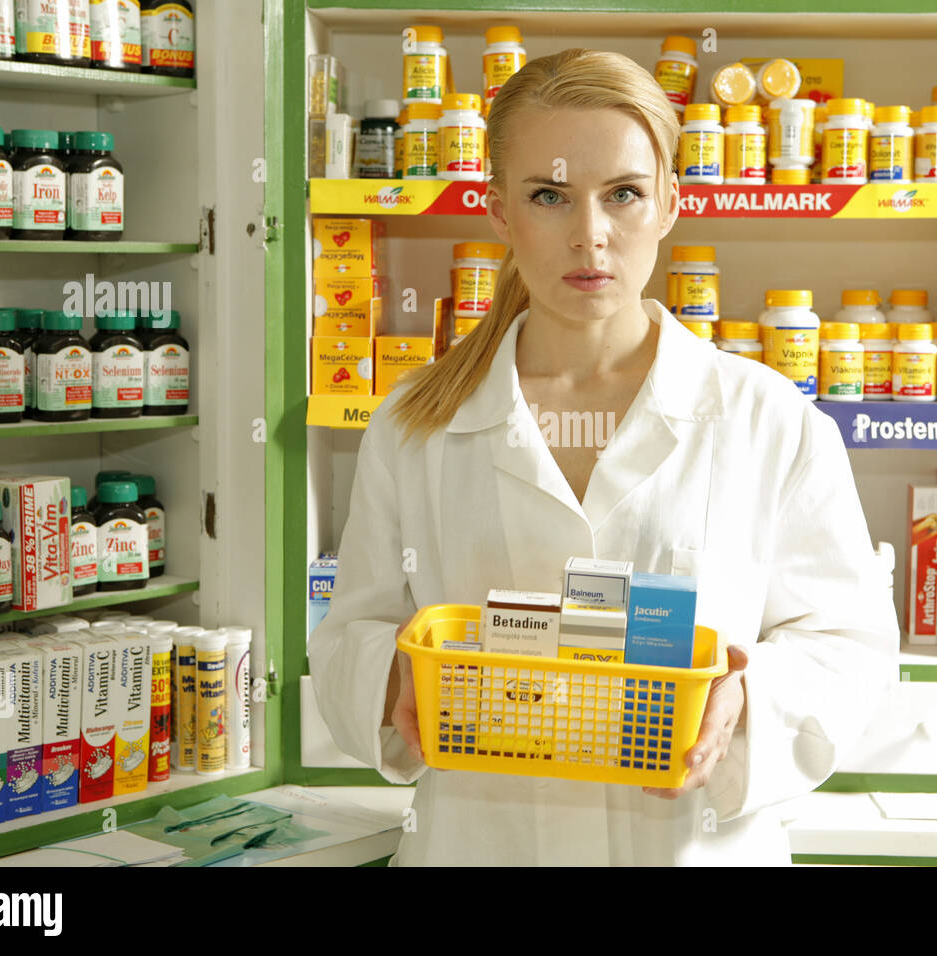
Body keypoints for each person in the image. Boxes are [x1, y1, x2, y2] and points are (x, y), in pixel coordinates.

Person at [308, 47, 899, 866]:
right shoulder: (416, 424)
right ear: (500, 214)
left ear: (669, 207)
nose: (590, 236)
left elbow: (852, 646)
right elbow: (347, 637)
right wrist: (395, 678)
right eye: (549, 196)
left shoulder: (770, 421)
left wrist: (748, 696)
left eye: (623, 194)